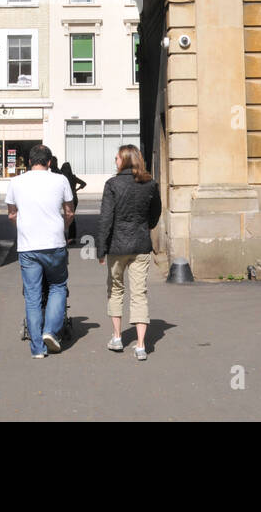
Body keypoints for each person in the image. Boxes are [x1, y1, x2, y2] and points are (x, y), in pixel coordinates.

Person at [6, 144, 75, 358]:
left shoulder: (15, 182)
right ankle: (50, 331)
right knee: (58, 286)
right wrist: (63, 228)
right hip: (54, 243)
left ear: (29, 161)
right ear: (49, 162)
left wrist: (23, 229)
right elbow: (69, 211)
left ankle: (37, 348)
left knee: (32, 295)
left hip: (28, 246)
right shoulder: (61, 180)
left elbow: (12, 214)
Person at [97, 144, 161, 360]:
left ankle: (117, 337)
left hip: (116, 246)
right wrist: (145, 226)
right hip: (140, 244)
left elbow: (106, 219)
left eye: (117, 158)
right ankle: (141, 345)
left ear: (124, 160)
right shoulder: (150, 184)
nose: (115, 161)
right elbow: (155, 213)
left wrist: (101, 248)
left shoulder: (112, 184)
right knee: (139, 293)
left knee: (115, 290)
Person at [59, 161, 86, 242]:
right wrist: (76, 190)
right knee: (71, 217)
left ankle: (68, 236)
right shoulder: (73, 177)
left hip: (67, 198)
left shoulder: (62, 177)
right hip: (74, 198)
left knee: (67, 216)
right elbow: (83, 183)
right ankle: (72, 237)